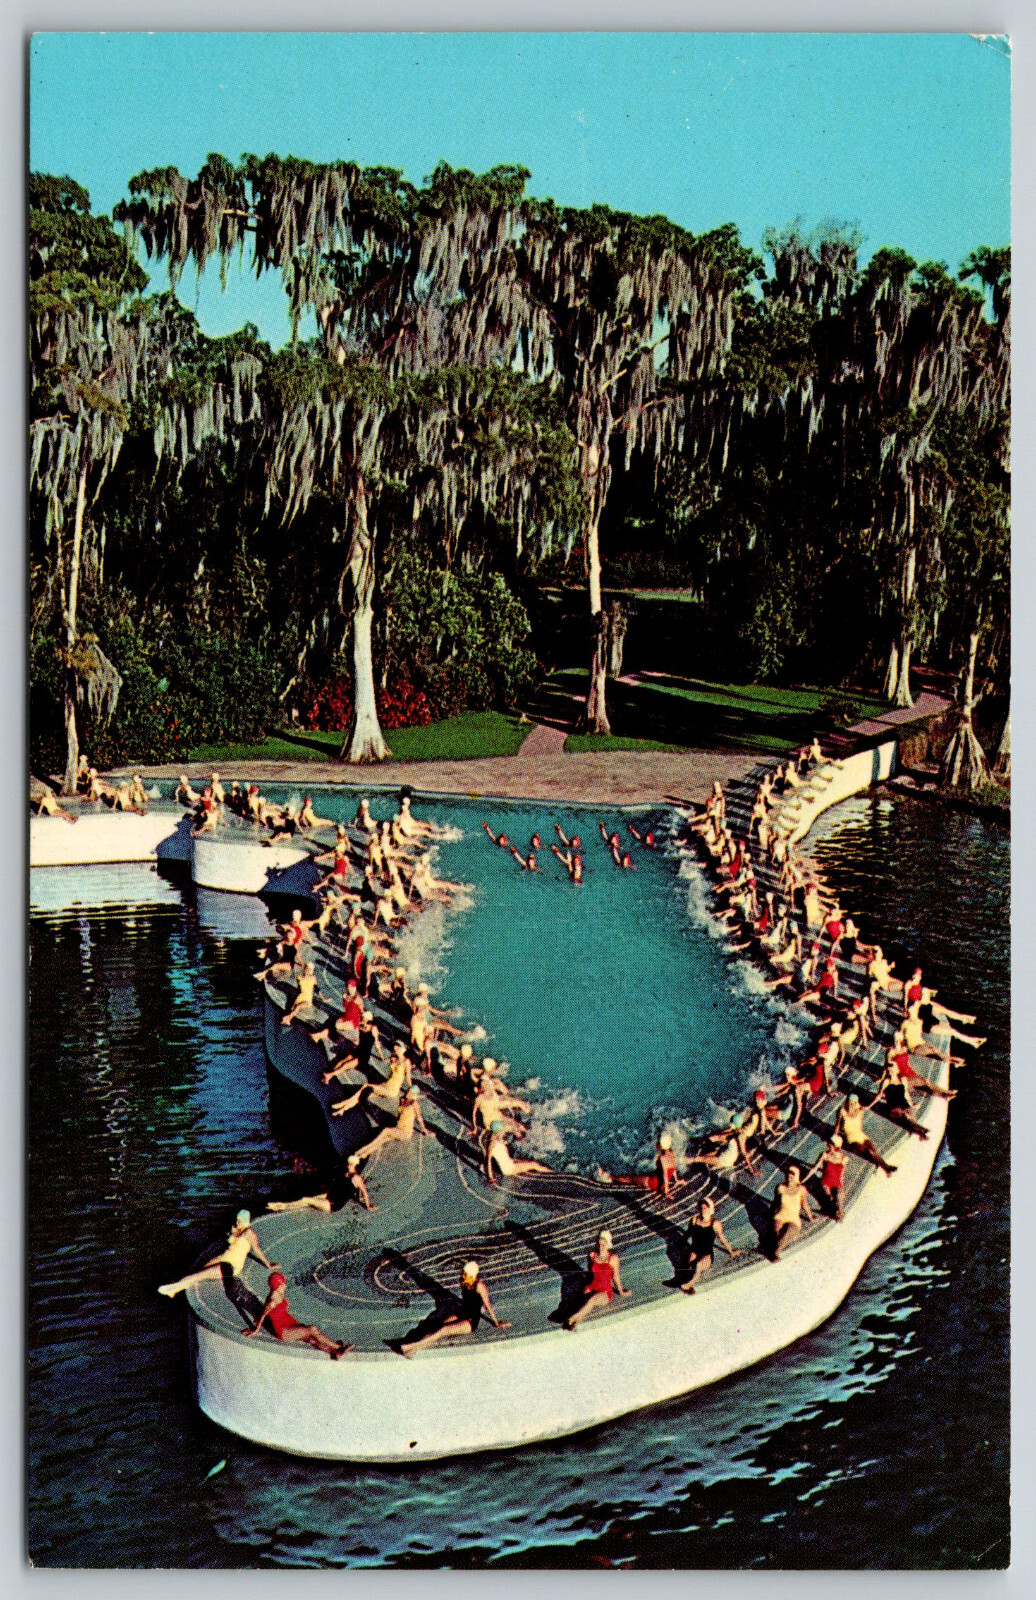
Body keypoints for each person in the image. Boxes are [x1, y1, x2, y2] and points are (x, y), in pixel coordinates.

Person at [158, 1209, 278, 1298]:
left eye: (240, 1220)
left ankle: (173, 1288)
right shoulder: (236, 1228)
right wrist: (232, 1234)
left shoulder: (249, 1233)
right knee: (199, 1270)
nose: (237, 1222)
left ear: (245, 1221)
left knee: (199, 1275)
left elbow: (257, 1249)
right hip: (224, 1258)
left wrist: (268, 1264)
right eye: (237, 1219)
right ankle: (178, 1286)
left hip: (231, 1265)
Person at [399, 1261, 510, 1357]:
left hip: (466, 1317)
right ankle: (412, 1348)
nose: (464, 1274)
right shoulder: (472, 1283)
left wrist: (492, 1318)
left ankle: (410, 1346)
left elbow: (479, 1302)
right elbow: (481, 1304)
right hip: (466, 1316)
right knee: (439, 1329)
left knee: (442, 1330)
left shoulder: (471, 1283)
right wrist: (490, 1317)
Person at [245, 1271, 351, 1358]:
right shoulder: (273, 1299)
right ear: (278, 1285)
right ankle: (337, 1347)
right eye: (283, 1283)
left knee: (310, 1339)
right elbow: (264, 1313)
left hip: (288, 1321)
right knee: (312, 1329)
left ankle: (332, 1353)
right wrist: (256, 1329)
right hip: (283, 1330)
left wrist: (258, 1320)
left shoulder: (277, 1293)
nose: (285, 1285)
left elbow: (265, 1311)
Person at [265, 1154, 376, 1214]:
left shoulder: (356, 1177)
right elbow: (354, 1190)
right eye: (349, 1164)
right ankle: (283, 1205)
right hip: (332, 1196)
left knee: (306, 1200)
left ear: (355, 1166)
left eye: (351, 1164)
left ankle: (282, 1206)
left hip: (334, 1204)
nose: (348, 1165)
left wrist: (368, 1205)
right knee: (306, 1200)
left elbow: (364, 1191)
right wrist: (359, 1196)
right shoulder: (347, 1173)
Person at [564, 1229, 631, 1328]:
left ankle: (574, 1319)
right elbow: (589, 1271)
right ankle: (573, 1318)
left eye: (603, 1244)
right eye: (599, 1244)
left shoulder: (613, 1259)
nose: (601, 1247)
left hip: (605, 1291)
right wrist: (584, 1285)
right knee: (578, 1300)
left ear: (608, 1244)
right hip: (592, 1286)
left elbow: (616, 1277)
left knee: (592, 1300)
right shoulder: (592, 1256)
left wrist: (621, 1291)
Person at [679, 1196, 741, 1291]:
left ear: (710, 1209)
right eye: (701, 1208)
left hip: (707, 1254)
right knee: (690, 1264)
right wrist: (679, 1244)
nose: (703, 1210)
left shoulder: (715, 1223)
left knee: (699, 1265)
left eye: (705, 1208)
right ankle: (690, 1276)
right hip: (694, 1250)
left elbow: (722, 1239)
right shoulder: (694, 1220)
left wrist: (731, 1251)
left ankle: (689, 1285)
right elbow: (687, 1234)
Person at [352, 1086, 430, 1161]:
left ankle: (360, 1151)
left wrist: (425, 1131)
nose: (408, 1093)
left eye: (411, 1093)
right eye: (408, 1091)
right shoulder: (402, 1099)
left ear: (414, 1096)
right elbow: (399, 1116)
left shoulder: (414, 1104)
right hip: (398, 1127)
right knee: (383, 1140)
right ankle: (364, 1154)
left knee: (385, 1132)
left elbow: (419, 1118)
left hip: (405, 1132)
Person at [595, 1131, 682, 1197]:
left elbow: (665, 1175)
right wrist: (677, 1180)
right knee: (642, 1175)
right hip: (659, 1181)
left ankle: (609, 1177)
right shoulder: (671, 1152)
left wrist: (667, 1192)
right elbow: (672, 1168)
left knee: (630, 1178)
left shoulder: (663, 1158)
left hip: (654, 1183)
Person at [835, 1092, 897, 1175]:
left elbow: (864, 1109)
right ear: (847, 1103)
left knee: (872, 1151)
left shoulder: (860, 1111)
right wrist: (835, 1135)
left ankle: (886, 1167)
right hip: (852, 1139)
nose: (852, 1105)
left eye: (854, 1103)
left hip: (861, 1136)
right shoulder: (842, 1111)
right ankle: (885, 1167)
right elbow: (838, 1124)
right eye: (851, 1103)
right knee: (868, 1152)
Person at [484, 1121, 552, 1186]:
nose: (503, 1132)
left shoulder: (495, 1137)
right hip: (509, 1169)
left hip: (510, 1162)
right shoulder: (492, 1145)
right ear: (498, 1131)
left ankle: (546, 1170)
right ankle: (552, 1174)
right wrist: (490, 1177)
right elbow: (488, 1161)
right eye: (502, 1131)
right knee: (534, 1165)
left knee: (527, 1161)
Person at [772, 1165, 814, 1259]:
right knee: (776, 1233)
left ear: (796, 1177)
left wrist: (811, 1217)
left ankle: (776, 1252)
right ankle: (775, 1247)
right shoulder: (780, 1188)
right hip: (780, 1215)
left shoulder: (801, 1190)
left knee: (788, 1230)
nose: (789, 1179)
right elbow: (775, 1202)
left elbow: (805, 1205)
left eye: (792, 1177)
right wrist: (771, 1213)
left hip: (793, 1219)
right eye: (787, 1176)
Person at [807, 1134, 848, 1221]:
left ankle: (837, 1212)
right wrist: (804, 1179)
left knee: (839, 1196)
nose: (827, 1144)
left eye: (829, 1143)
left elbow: (842, 1175)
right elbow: (814, 1169)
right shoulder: (824, 1155)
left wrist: (842, 1187)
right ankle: (834, 1212)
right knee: (829, 1198)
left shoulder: (844, 1158)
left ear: (833, 1145)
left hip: (836, 1182)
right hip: (826, 1182)